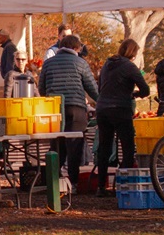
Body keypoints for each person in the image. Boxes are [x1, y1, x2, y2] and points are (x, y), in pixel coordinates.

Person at [40, 34, 98, 190]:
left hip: (54, 108)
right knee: (74, 145)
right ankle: (73, 182)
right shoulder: (81, 63)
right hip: (76, 108)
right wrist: (100, 101)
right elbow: (91, 87)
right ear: (76, 48)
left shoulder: (48, 64)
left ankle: (54, 180)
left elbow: (41, 88)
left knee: (56, 144)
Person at [94, 39, 150, 196]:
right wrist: (134, 94)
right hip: (120, 108)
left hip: (102, 108)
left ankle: (101, 187)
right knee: (127, 147)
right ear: (133, 53)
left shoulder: (107, 64)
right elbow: (145, 89)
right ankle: (122, 185)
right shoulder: (130, 67)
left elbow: (100, 87)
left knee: (104, 148)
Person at [0, 30, 19, 97]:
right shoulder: (8, 46)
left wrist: (8, 77)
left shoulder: (9, 47)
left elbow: (10, 65)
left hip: (10, 80)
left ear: (4, 37)